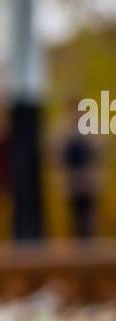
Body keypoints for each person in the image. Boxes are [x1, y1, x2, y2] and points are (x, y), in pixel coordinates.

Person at [62, 102, 99, 240]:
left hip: (88, 180)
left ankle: (90, 242)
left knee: (89, 214)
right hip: (73, 180)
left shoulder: (92, 128)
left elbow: (98, 150)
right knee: (74, 214)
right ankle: (77, 242)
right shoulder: (65, 129)